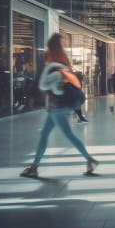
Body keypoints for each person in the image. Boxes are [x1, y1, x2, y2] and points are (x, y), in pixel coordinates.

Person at [21, 34, 98, 178]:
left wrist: (46, 71)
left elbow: (42, 85)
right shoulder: (64, 62)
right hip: (57, 107)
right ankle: (34, 167)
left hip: (58, 108)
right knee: (44, 134)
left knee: (68, 134)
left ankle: (89, 159)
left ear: (51, 48)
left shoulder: (52, 66)